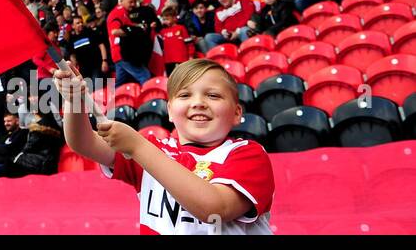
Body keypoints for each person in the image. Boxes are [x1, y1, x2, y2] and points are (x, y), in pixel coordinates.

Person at [55, 58, 274, 234]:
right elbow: (83, 142)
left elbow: (216, 209)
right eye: (185, 95)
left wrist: (138, 147)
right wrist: (73, 100)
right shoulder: (153, 150)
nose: (198, 102)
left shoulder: (248, 154)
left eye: (213, 95)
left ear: (237, 113)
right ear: (169, 111)